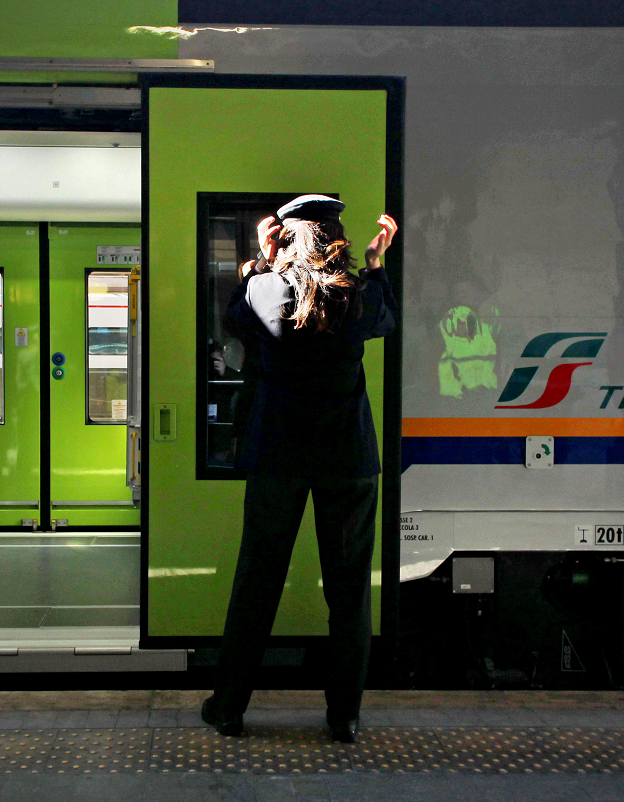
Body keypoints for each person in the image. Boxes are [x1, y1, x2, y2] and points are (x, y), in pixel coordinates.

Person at [201, 195, 398, 744]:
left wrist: (262, 261)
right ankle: (344, 717)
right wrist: (376, 263)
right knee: (349, 591)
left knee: (257, 581)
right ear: (337, 241)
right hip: (347, 460)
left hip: (278, 457)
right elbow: (386, 319)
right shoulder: (358, 295)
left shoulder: (266, 289)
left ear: (287, 240)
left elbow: (233, 320)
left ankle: (229, 708)